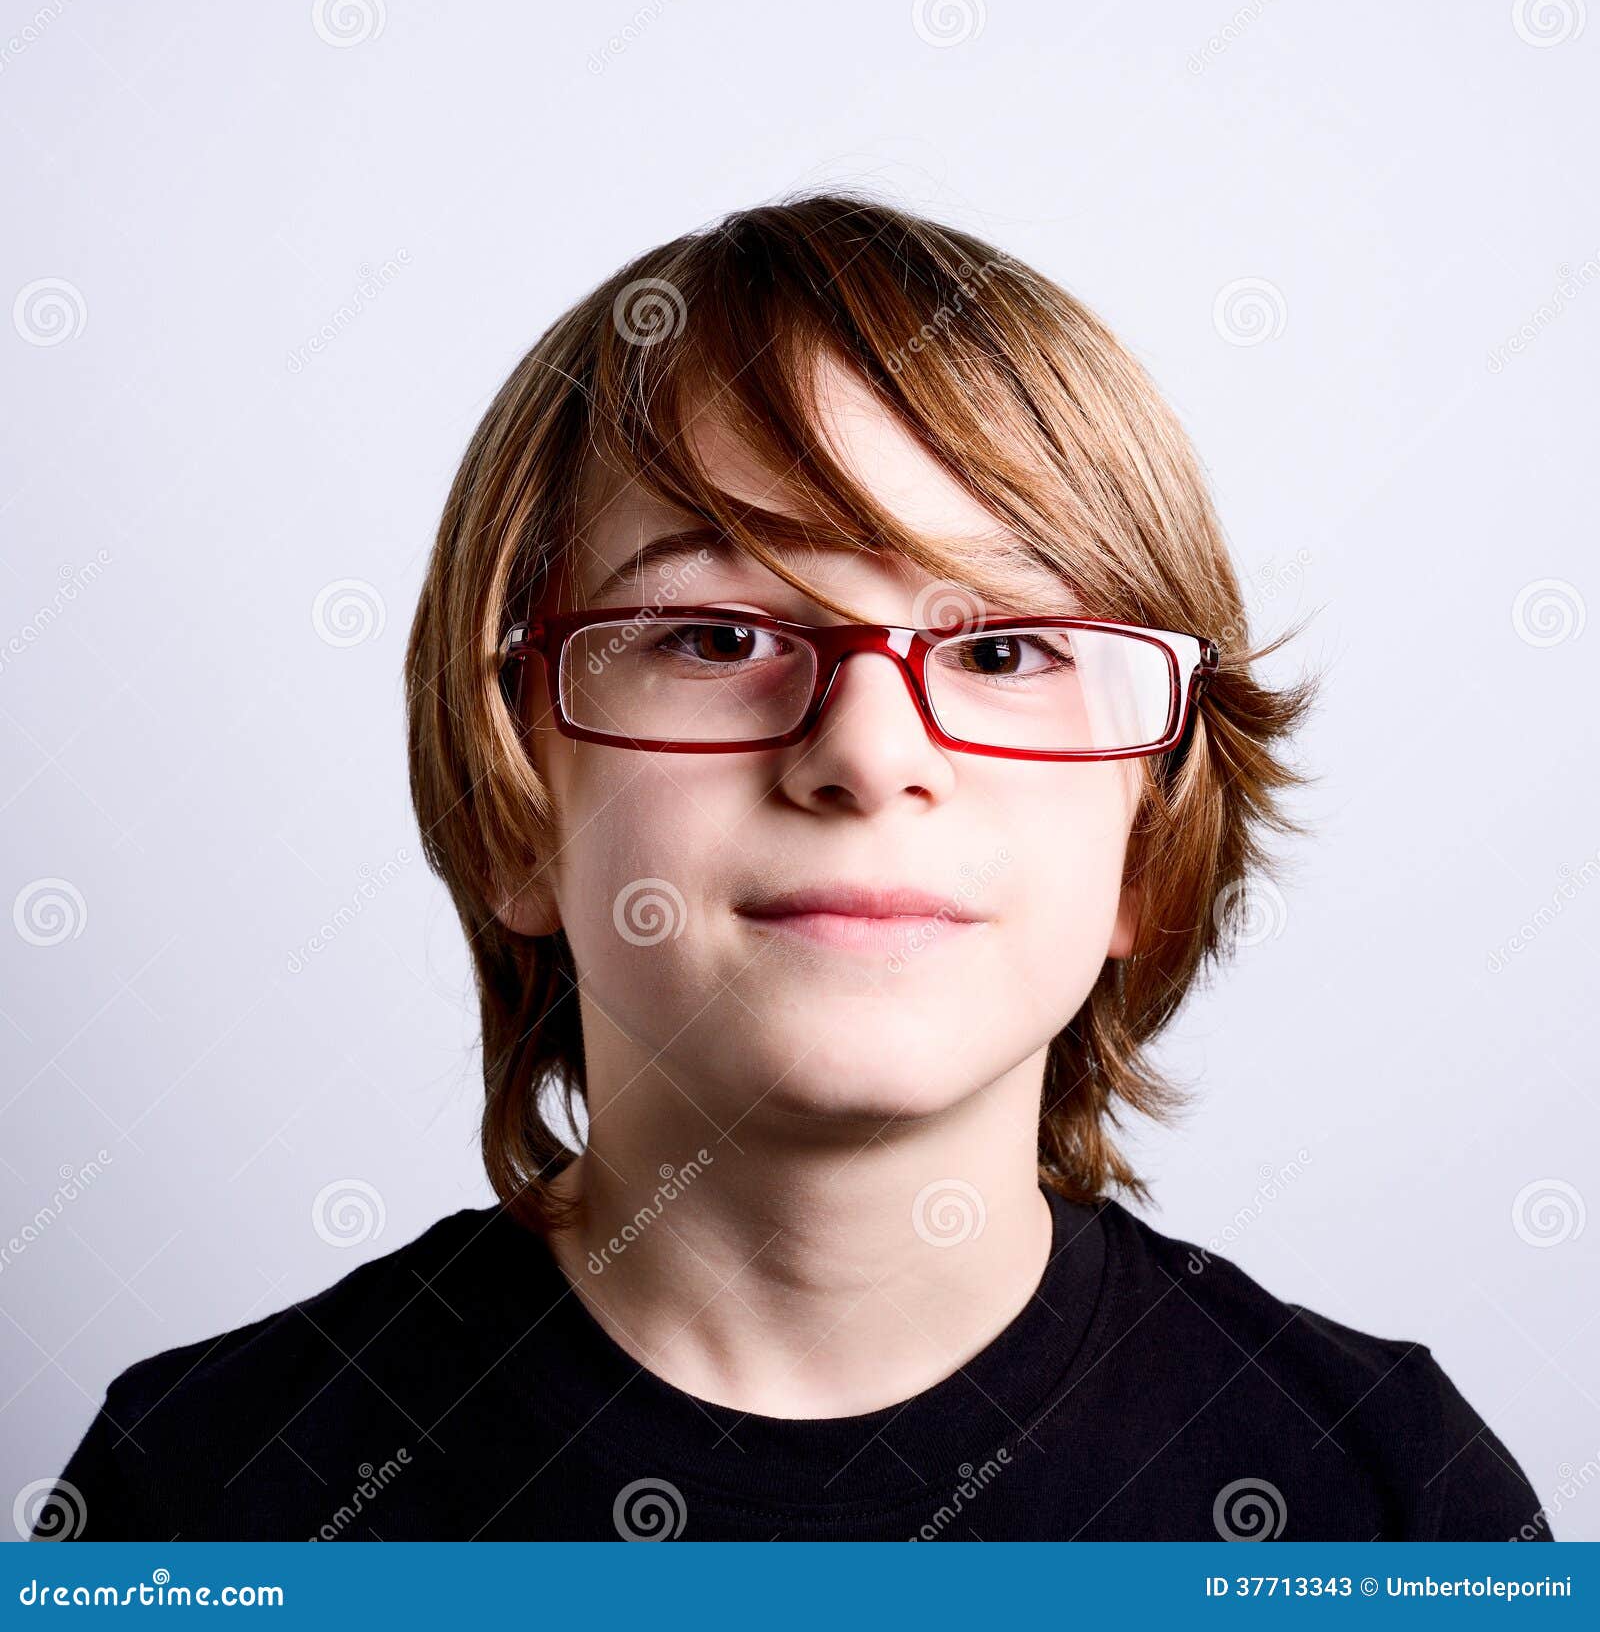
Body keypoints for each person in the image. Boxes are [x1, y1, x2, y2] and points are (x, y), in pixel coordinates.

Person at [35, 192, 1552, 1542]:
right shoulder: (207, 1501)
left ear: (1147, 848)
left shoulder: (1390, 1504)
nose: (867, 747)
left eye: (1008, 646)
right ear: (518, 810)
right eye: (713, 636)